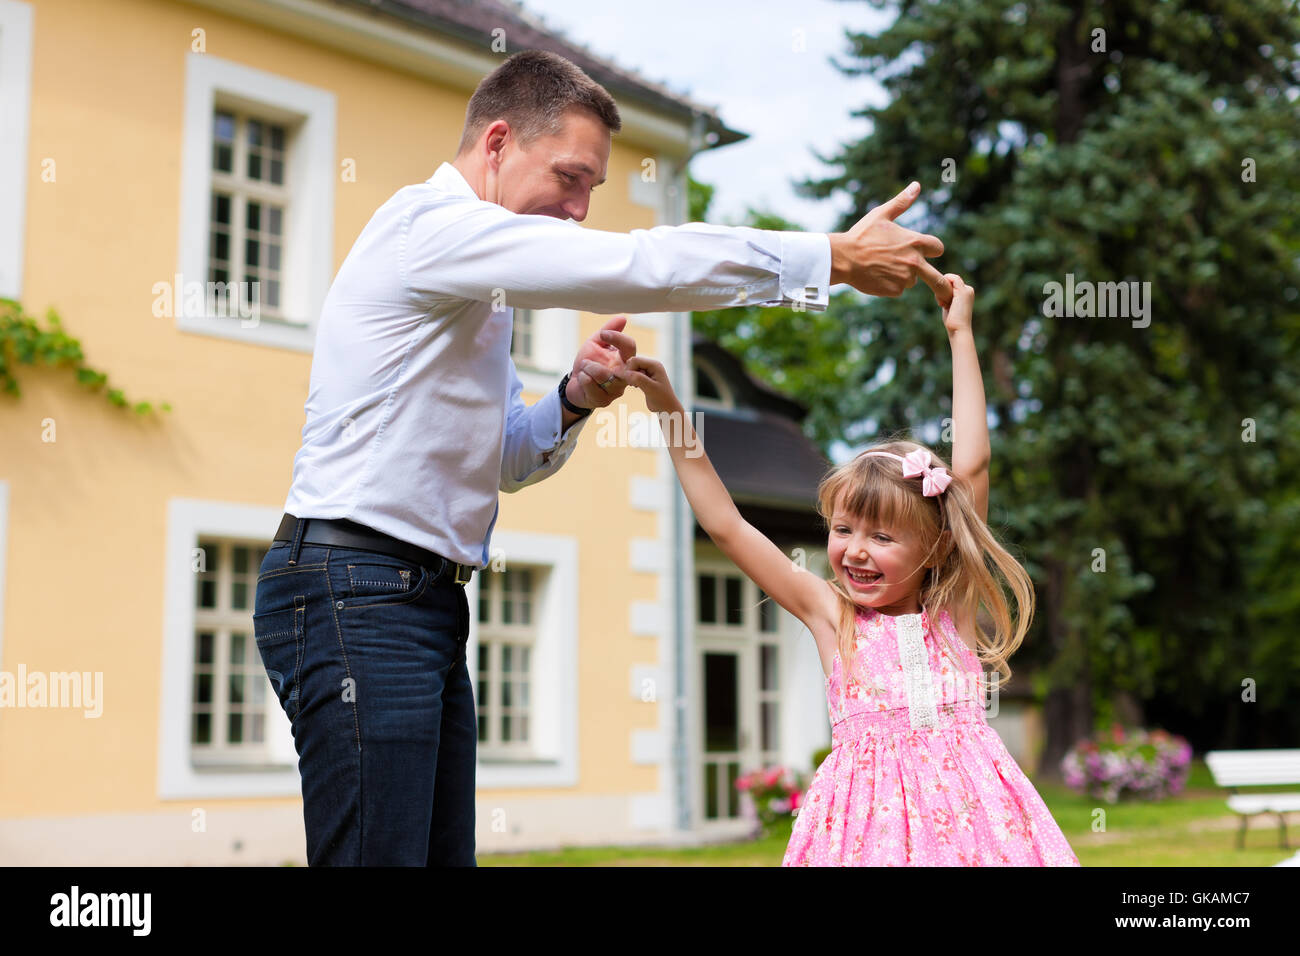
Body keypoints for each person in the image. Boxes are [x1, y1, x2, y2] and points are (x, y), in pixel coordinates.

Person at [253, 48, 953, 867]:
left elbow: (505, 459)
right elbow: (637, 264)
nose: (581, 208)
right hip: (354, 589)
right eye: (572, 176)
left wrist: (573, 398)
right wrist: (828, 258)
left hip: (417, 601)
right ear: (499, 142)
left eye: (593, 189)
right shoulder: (430, 229)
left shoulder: (474, 287)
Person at [617, 274, 1082, 866]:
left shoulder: (952, 612)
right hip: (868, 839)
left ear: (937, 548)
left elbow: (974, 464)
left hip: (979, 832)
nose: (855, 551)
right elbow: (728, 526)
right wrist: (669, 408)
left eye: (882, 537)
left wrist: (960, 331)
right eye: (843, 531)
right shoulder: (830, 612)